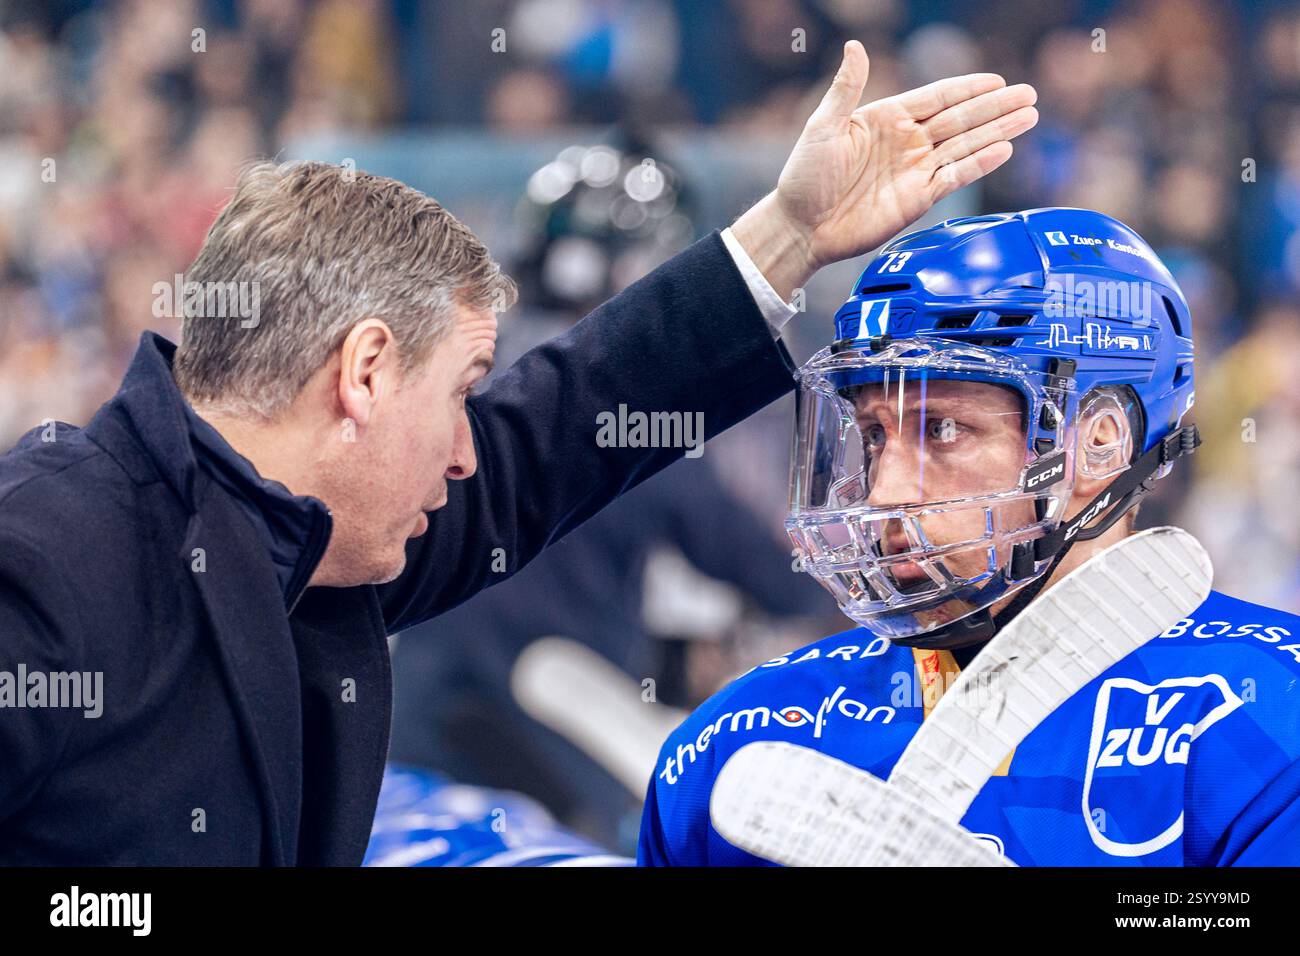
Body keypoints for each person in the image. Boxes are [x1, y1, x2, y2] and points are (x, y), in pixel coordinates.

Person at [0, 42, 1039, 864]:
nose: (466, 452)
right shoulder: (45, 562)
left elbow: (556, 424)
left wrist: (787, 236)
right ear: (363, 373)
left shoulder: (298, 541)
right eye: (460, 393)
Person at [639, 207, 1300, 867]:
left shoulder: (1269, 718)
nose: (885, 489)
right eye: (874, 434)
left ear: (1099, 443)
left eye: (944, 429)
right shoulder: (741, 737)